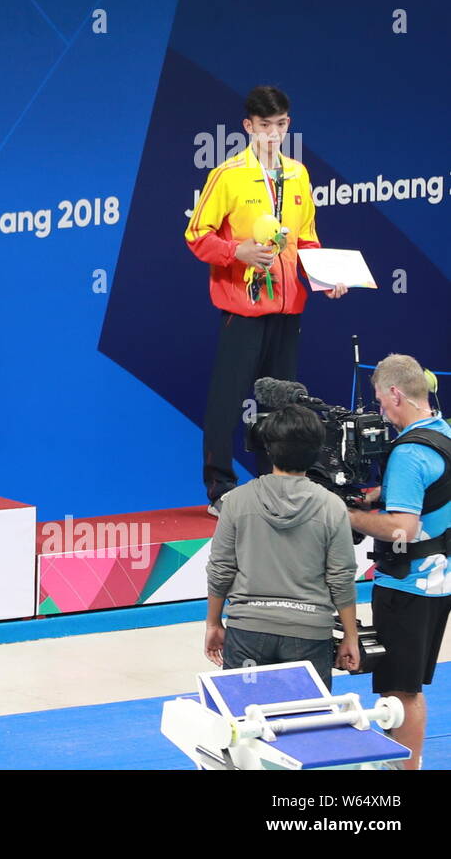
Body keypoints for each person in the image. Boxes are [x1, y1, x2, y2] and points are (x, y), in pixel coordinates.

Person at [185, 86, 346, 516]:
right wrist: (236, 252)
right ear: (248, 126)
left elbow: (307, 238)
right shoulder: (228, 174)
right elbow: (197, 235)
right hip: (243, 306)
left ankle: (277, 484)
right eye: (265, 126)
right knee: (228, 399)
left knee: (284, 402)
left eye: (280, 125)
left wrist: (325, 278)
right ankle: (220, 488)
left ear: (287, 124)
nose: (273, 134)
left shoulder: (298, 175)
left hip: (288, 308)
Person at [205, 404, 360, 689]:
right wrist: (351, 635)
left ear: (268, 447)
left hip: (247, 631)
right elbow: (341, 577)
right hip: (309, 635)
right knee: (305, 728)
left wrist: (213, 624)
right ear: (317, 451)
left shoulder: (237, 501)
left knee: (243, 725)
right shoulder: (332, 507)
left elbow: (220, 569)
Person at [348, 354, 451, 770]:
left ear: (395, 393)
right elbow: (433, 495)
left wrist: (349, 515)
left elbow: (403, 529)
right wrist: (377, 497)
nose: (380, 412)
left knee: (398, 693)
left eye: (378, 401)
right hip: (438, 584)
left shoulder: (408, 453)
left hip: (406, 588)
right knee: (408, 688)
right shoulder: (442, 432)